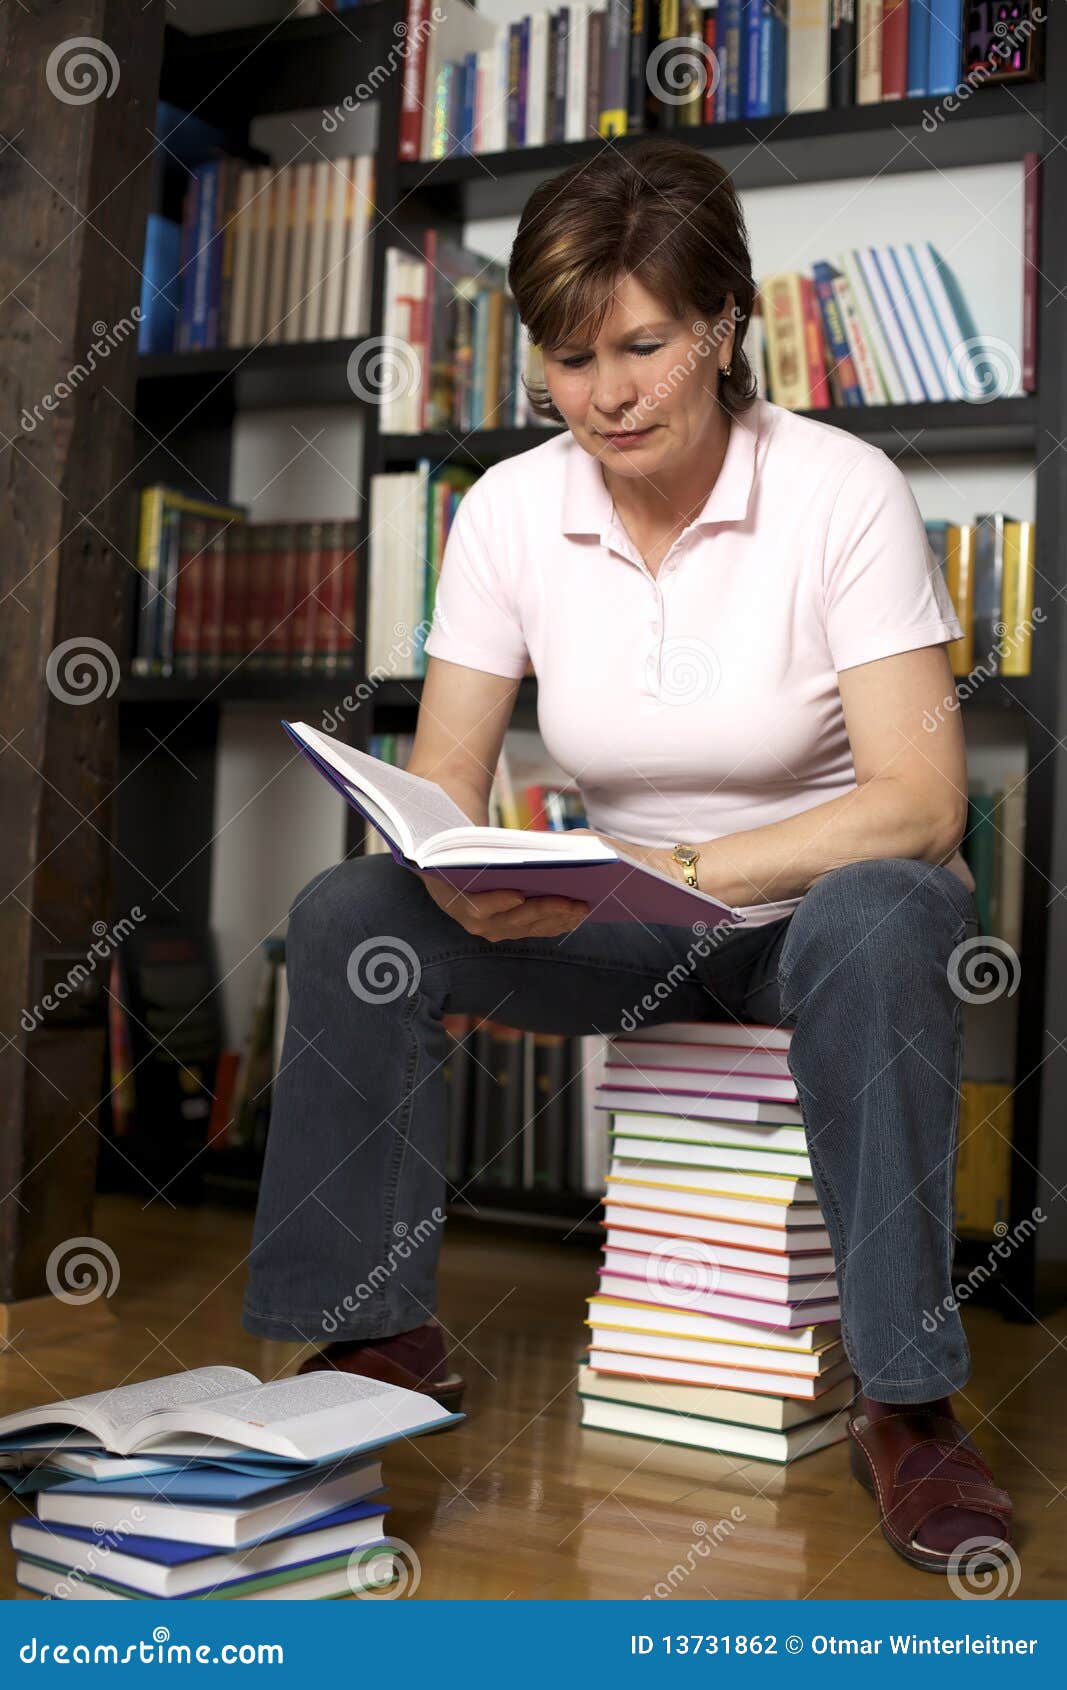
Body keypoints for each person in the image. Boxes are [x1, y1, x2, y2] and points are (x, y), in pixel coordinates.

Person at [241, 139, 1013, 1575]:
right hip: (617, 927)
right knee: (354, 909)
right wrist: (455, 861)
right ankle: (379, 1337)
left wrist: (697, 865)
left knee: (888, 913)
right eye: (569, 354)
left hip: (814, 925)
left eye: (644, 345)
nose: (604, 393)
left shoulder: (841, 490)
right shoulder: (511, 511)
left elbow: (920, 800)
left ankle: (908, 1404)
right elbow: (452, 772)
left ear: (723, 328)